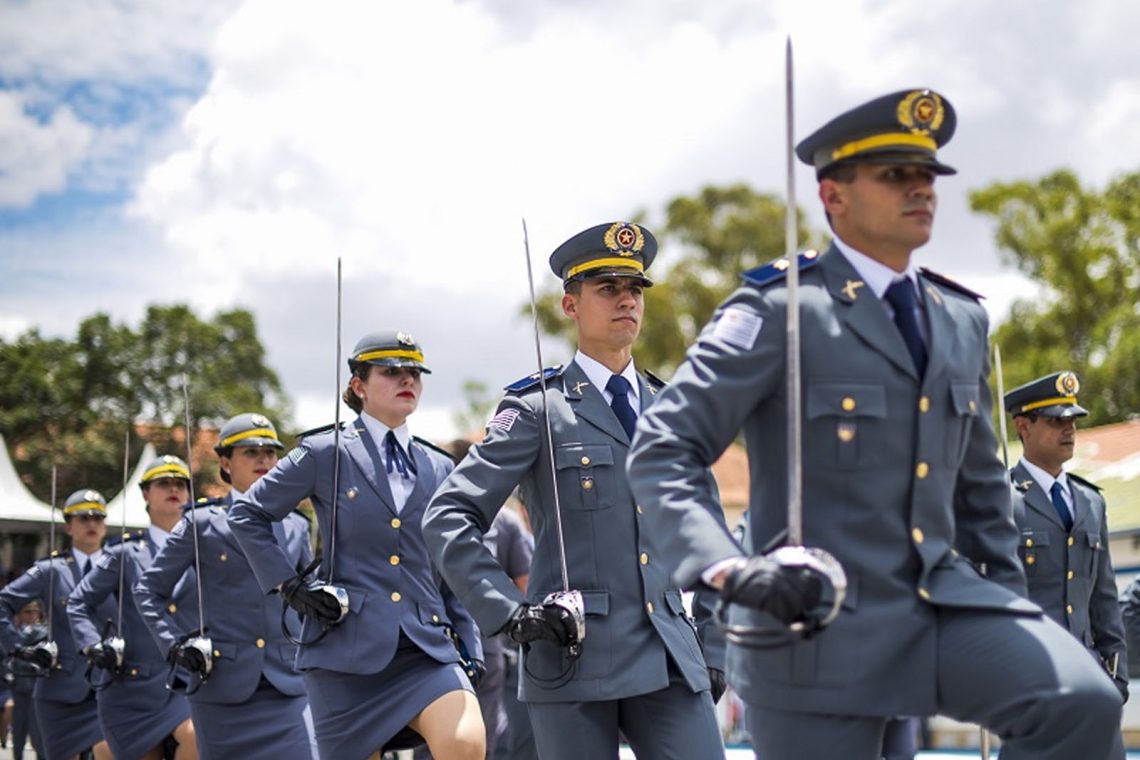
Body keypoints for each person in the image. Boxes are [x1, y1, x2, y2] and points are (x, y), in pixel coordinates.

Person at [625, 88, 1122, 760]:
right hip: (816, 618)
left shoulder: (959, 317)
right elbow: (665, 448)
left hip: (939, 603)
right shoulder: (782, 310)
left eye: (927, 176)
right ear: (833, 197)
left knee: (1081, 701)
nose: (921, 190)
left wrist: (1014, 617)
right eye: (896, 176)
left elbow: (980, 492)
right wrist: (728, 570)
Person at [423, 222, 727, 760]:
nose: (625, 300)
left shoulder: (673, 409)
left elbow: (710, 534)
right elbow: (447, 515)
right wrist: (511, 614)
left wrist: (716, 644)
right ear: (570, 305)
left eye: (634, 289)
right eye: (607, 289)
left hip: (672, 658)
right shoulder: (538, 409)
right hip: (571, 653)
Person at [228, 330, 484, 760]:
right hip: (344, 654)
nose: (408, 380)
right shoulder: (323, 451)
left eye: (415, 373)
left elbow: (450, 564)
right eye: (391, 372)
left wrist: (470, 645)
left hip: (426, 647)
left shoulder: (439, 465)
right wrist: (291, 587)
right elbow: (248, 514)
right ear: (358, 386)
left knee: (465, 742)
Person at [135, 413, 316, 759]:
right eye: (250, 452)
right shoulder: (200, 523)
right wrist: (174, 645)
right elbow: (148, 590)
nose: (263, 459)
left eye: (270, 451)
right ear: (225, 462)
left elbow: (308, 595)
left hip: (288, 683)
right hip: (221, 686)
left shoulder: (294, 525)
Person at [1005, 371, 1128, 756]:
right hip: (1031, 686)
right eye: (1056, 420)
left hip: (1093, 685)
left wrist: (1117, 679)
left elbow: (1104, 598)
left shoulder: (1091, 502)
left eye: (1072, 420)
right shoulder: (999, 500)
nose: (1069, 429)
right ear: (1023, 425)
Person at [68, 456, 199, 760]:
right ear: (145, 494)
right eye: (163, 483)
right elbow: (78, 602)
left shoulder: (205, 549)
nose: (173, 489)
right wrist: (93, 645)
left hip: (190, 677)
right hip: (135, 685)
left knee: (197, 738)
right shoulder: (124, 554)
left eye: (180, 484)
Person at [0, 488, 112, 760]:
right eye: (83, 518)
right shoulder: (51, 570)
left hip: (111, 686)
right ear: (68, 525)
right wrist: (20, 648)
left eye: (98, 518)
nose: (92, 524)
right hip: (60, 690)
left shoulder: (120, 565)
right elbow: (3, 602)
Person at [7, 601, 47, 760]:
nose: (29, 616)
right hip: (19, 689)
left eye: (31, 613)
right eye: (26, 613)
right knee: (19, 735)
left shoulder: (40, 632)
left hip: (34, 689)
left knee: (36, 736)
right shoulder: (18, 632)